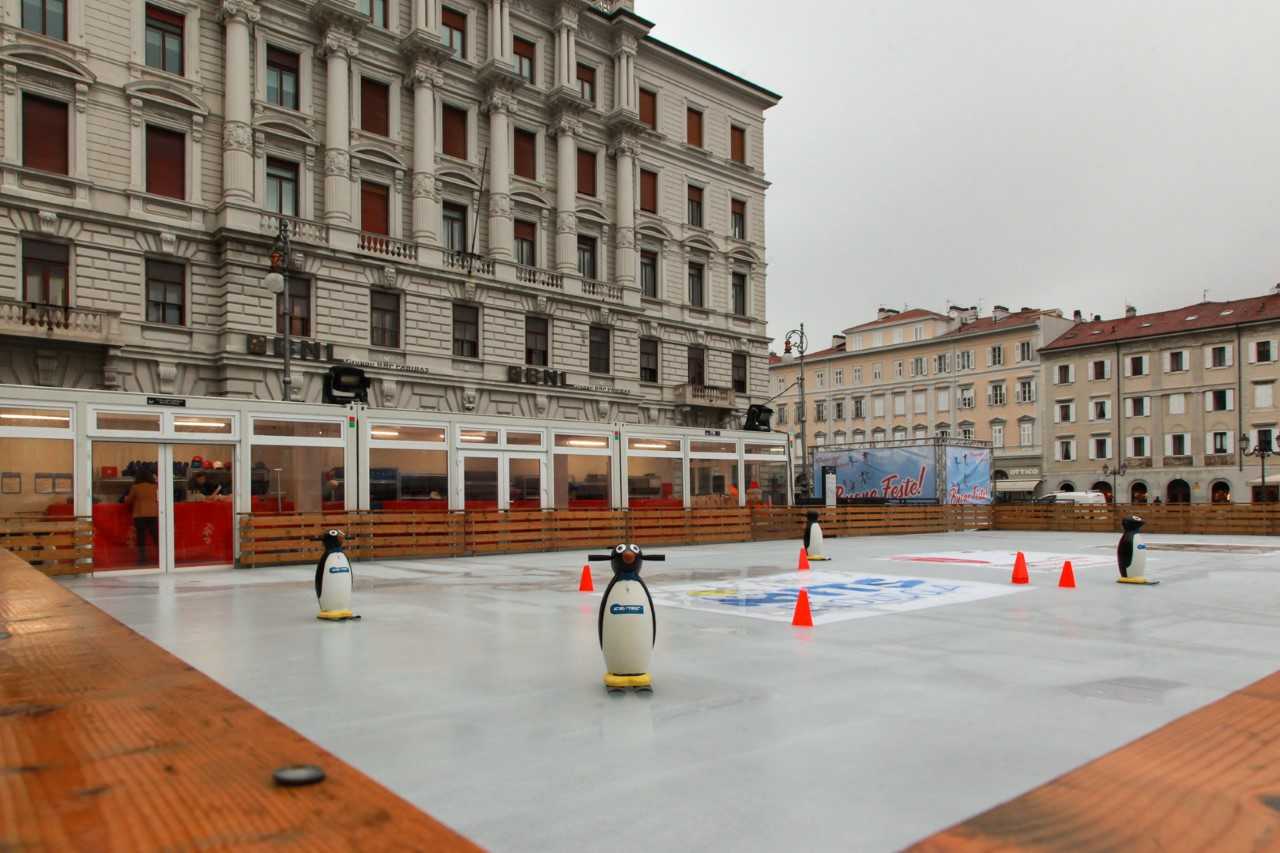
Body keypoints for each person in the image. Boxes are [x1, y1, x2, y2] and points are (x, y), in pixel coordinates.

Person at [123, 469, 158, 566]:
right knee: (156, 536)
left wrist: (126, 498)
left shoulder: (135, 487)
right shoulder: (155, 487)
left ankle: (142, 559)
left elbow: (128, 501)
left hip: (139, 515)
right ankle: (162, 557)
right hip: (153, 514)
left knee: (141, 538)